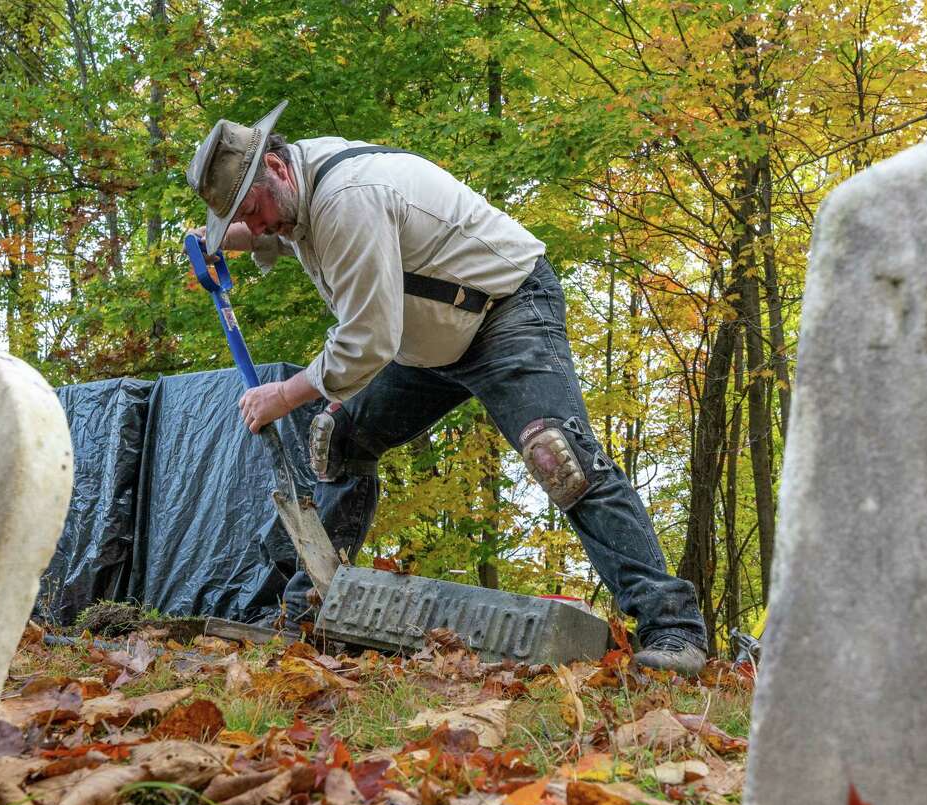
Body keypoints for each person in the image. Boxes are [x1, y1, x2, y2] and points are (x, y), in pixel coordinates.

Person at [186, 99, 708, 674]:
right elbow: (285, 230)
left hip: (504, 312)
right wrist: (220, 242)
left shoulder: (345, 199)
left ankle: (674, 630)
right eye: (242, 216)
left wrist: (282, 395)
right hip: (429, 340)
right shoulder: (299, 182)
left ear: (276, 169)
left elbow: (365, 341)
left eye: (252, 209)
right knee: (338, 440)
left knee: (559, 456)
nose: (257, 225)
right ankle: (311, 610)